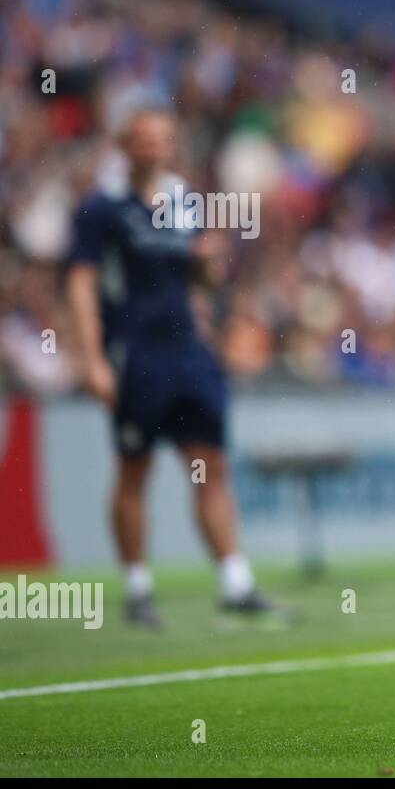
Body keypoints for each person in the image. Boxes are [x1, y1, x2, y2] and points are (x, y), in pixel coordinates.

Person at [66, 107, 286, 629]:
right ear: (126, 145)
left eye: (163, 139)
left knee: (210, 465)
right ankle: (138, 587)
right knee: (133, 469)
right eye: (144, 139)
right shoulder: (103, 208)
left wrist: (210, 262)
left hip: (189, 352)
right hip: (135, 353)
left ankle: (235, 581)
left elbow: (204, 283)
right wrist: (92, 357)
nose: (154, 148)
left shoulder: (186, 202)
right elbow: (81, 282)